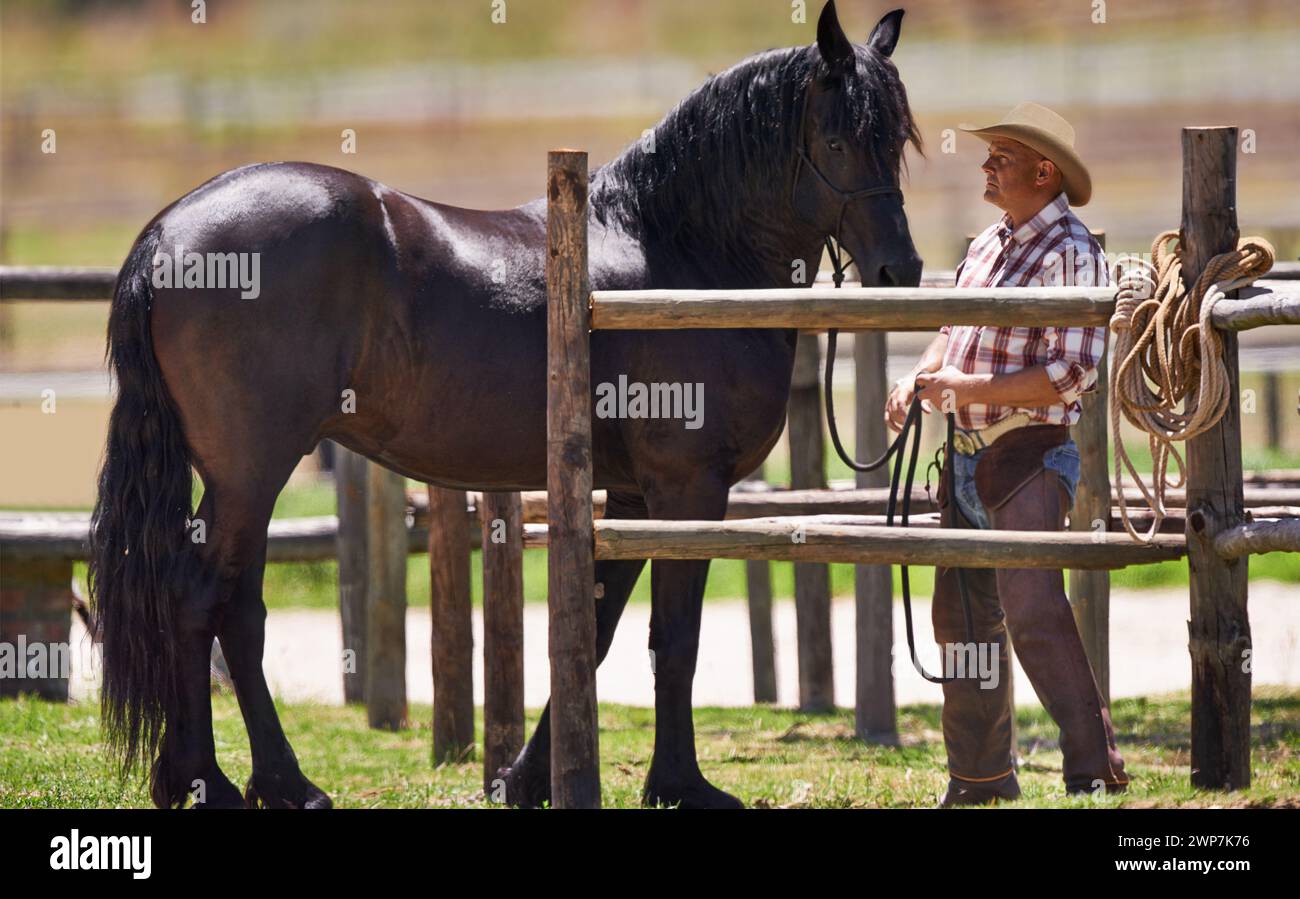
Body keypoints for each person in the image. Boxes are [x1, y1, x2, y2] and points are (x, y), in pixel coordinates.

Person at [885, 101, 1128, 806]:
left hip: (1026, 450)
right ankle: (980, 777)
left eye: (1002, 156)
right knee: (962, 618)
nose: (986, 165)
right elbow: (952, 331)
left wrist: (968, 385)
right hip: (967, 452)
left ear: (1043, 170)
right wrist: (923, 374)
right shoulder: (989, 243)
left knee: (1029, 606)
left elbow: (1071, 371)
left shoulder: (1072, 251)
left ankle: (1092, 763)